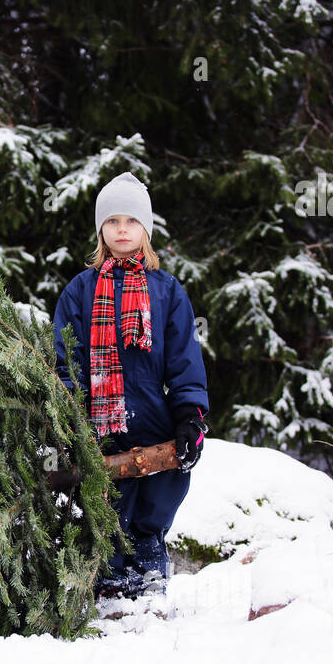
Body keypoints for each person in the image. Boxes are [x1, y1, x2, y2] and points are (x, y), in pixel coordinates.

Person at [52, 172, 210, 601]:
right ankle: (110, 574)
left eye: (132, 221)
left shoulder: (167, 291)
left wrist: (189, 416)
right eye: (113, 221)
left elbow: (183, 360)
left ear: (146, 230)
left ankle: (150, 569)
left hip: (153, 418)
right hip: (98, 422)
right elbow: (66, 360)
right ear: (101, 230)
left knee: (160, 492)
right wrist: (72, 416)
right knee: (108, 502)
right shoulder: (79, 292)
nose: (122, 229)